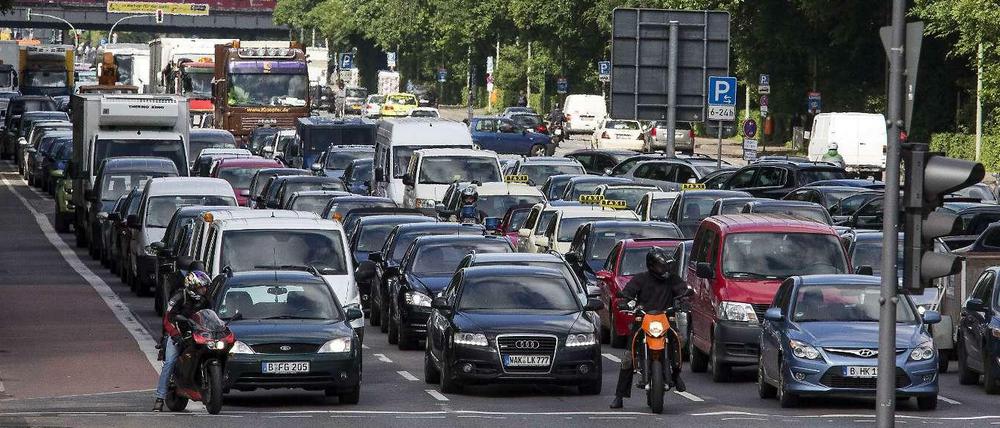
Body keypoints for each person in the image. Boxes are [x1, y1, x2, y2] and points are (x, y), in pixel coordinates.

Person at [610, 247, 689, 409]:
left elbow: (683, 291)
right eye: (661, 266)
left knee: (679, 342)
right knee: (627, 357)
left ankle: (676, 373)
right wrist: (624, 300)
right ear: (652, 266)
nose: (664, 269)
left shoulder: (672, 279)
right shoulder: (641, 279)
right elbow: (628, 292)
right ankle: (619, 396)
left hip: (666, 320)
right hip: (643, 321)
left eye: (666, 266)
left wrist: (685, 299)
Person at [153, 269, 213, 412]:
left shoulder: (205, 300)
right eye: (201, 287)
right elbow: (168, 319)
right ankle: (159, 398)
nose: (204, 290)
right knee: (170, 362)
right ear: (192, 287)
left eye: (205, 287)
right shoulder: (179, 297)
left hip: (198, 334)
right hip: (179, 333)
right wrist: (175, 334)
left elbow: (211, 316)